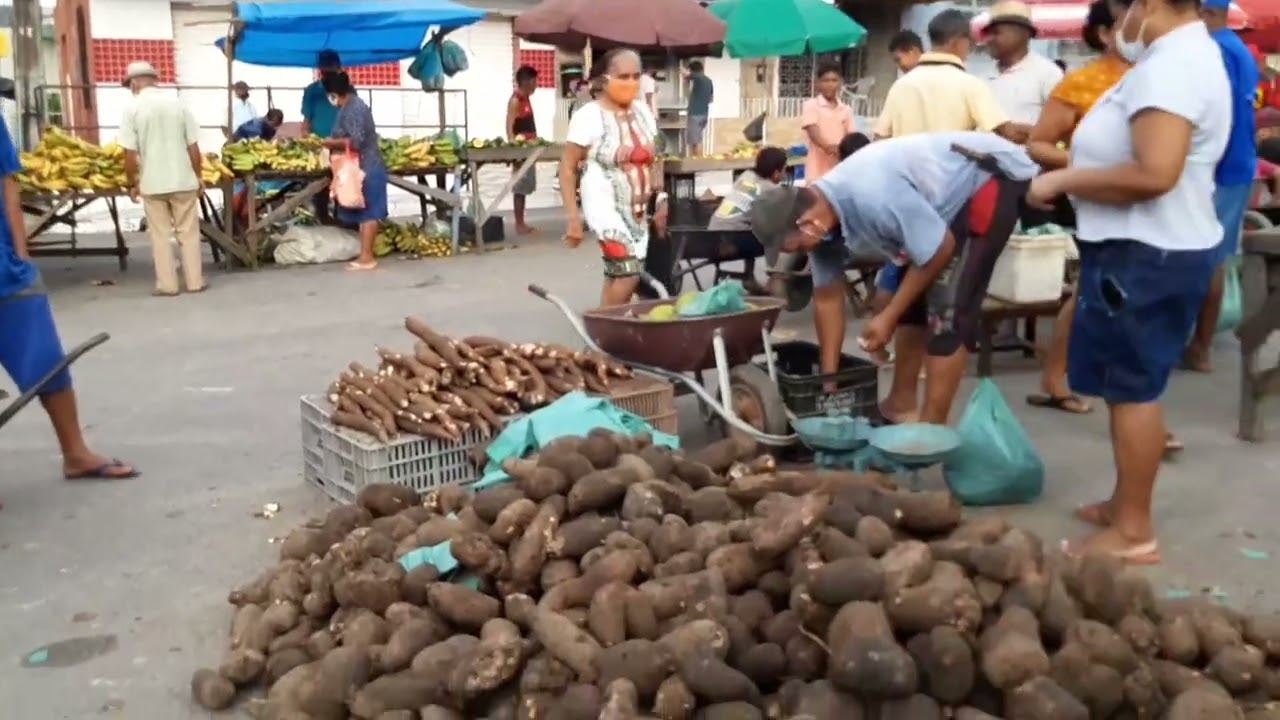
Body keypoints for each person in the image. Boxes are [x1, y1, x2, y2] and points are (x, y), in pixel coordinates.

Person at [1027, 0, 1229, 563]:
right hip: (1143, 246)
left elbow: (1155, 172)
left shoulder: (1174, 66)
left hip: (1146, 251)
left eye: (1126, 10)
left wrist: (1062, 180)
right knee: (1125, 386)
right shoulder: (1177, 58)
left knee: (1133, 390)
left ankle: (1135, 531)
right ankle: (1124, 504)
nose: (1121, 25)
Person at [773, 132, 1038, 426]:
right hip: (933, 204)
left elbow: (940, 248)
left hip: (986, 177)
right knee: (911, 303)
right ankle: (901, 404)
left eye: (793, 247)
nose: (797, 253)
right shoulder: (819, 227)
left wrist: (887, 317)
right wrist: (829, 383)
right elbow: (827, 301)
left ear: (807, 223)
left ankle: (932, 429)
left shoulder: (872, 197)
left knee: (947, 312)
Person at [873, 8, 1021, 423]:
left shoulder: (903, 86)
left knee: (912, 306)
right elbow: (1002, 136)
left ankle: (901, 400)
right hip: (956, 212)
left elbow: (880, 141)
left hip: (909, 208)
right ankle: (933, 422)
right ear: (960, 42)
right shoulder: (969, 85)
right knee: (949, 315)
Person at [0, 120, 138, 500]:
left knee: (46, 360)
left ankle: (75, 453)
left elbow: (7, 183)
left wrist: (22, 254)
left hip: (6, 268)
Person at [1025, 0, 1133, 417]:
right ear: (1105, 33)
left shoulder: (1160, 77)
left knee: (1125, 294)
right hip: (1100, 201)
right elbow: (1038, 144)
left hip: (1152, 198)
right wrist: (1085, 166)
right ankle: (1060, 378)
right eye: (1129, 22)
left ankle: (1130, 397)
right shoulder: (1081, 83)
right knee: (1094, 288)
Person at [1183, 0, 1260, 372]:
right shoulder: (1238, 50)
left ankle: (1199, 347)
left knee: (1204, 257)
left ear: (1206, 14)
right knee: (1213, 256)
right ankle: (1197, 346)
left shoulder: (1216, 50)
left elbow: (1217, 117)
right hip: (1235, 165)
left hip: (1218, 169)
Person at [559, 48, 664, 307]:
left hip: (638, 212)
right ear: (604, 80)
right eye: (623, 76)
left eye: (636, 76)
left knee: (618, 273)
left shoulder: (644, 112)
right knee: (628, 273)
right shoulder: (588, 116)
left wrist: (661, 199)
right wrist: (573, 219)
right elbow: (568, 168)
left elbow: (657, 157)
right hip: (603, 206)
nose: (631, 82)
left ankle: (605, 325)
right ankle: (605, 324)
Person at [118, 61, 205, 297]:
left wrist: (132, 182)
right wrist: (198, 176)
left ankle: (168, 285)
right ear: (154, 80)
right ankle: (195, 282)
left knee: (160, 236)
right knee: (188, 233)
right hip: (183, 180)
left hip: (153, 183)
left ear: (134, 83)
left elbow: (129, 154)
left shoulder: (132, 109)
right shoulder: (178, 104)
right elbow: (193, 147)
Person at [322, 71, 389, 271]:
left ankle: (367, 258)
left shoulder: (355, 109)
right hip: (358, 167)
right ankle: (364, 255)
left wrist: (330, 143)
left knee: (369, 212)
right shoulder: (347, 107)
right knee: (363, 212)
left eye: (330, 96)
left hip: (367, 167)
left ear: (335, 93)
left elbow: (356, 141)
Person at [982, 0, 1065, 131]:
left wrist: (1027, 133)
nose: (989, 39)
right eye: (989, 34)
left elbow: (1060, 127)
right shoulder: (982, 78)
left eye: (996, 33)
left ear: (1021, 34)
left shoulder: (1048, 74)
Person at [302, 50, 342, 224]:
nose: (329, 73)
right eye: (327, 70)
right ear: (321, 70)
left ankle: (343, 217)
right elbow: (306, 122)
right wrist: (306, 138)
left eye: (332, 70)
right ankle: (323, 217)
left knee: (344, 182)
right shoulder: (312, 91)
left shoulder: (347, 90)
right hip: (320, 145)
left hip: (342, 144)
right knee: (321, 185)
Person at [801, 63, 856, 185]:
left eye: (834, 80)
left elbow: (851, 138)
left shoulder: (846, 110)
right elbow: (813, 132)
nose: (830, 84)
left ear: (840, 83)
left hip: (839, 170)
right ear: (818, 83)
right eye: (825, 80)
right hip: (816, 171)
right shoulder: (811, 105)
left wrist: (845, 152)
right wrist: (830, 148)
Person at [507, 65, 540, 236]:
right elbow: (509, 127)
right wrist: (515, 151)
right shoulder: (515, 100)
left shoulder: (526, 99)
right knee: (519, 187)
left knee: (526, 186)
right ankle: (519, 224)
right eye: (535, 82)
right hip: (521, 151)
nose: (536, 85)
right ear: (527, 82)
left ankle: (522, 222)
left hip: (531, 148)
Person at [684, 60, 714, 157]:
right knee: (697, 138)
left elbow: (689, 76)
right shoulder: (709, 81)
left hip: (695, 113)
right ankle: (696, 159)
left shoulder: (698, 78)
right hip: (704, 113)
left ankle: (697, 160)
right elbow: (711, 99)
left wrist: (684, 73)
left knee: (695, 141)